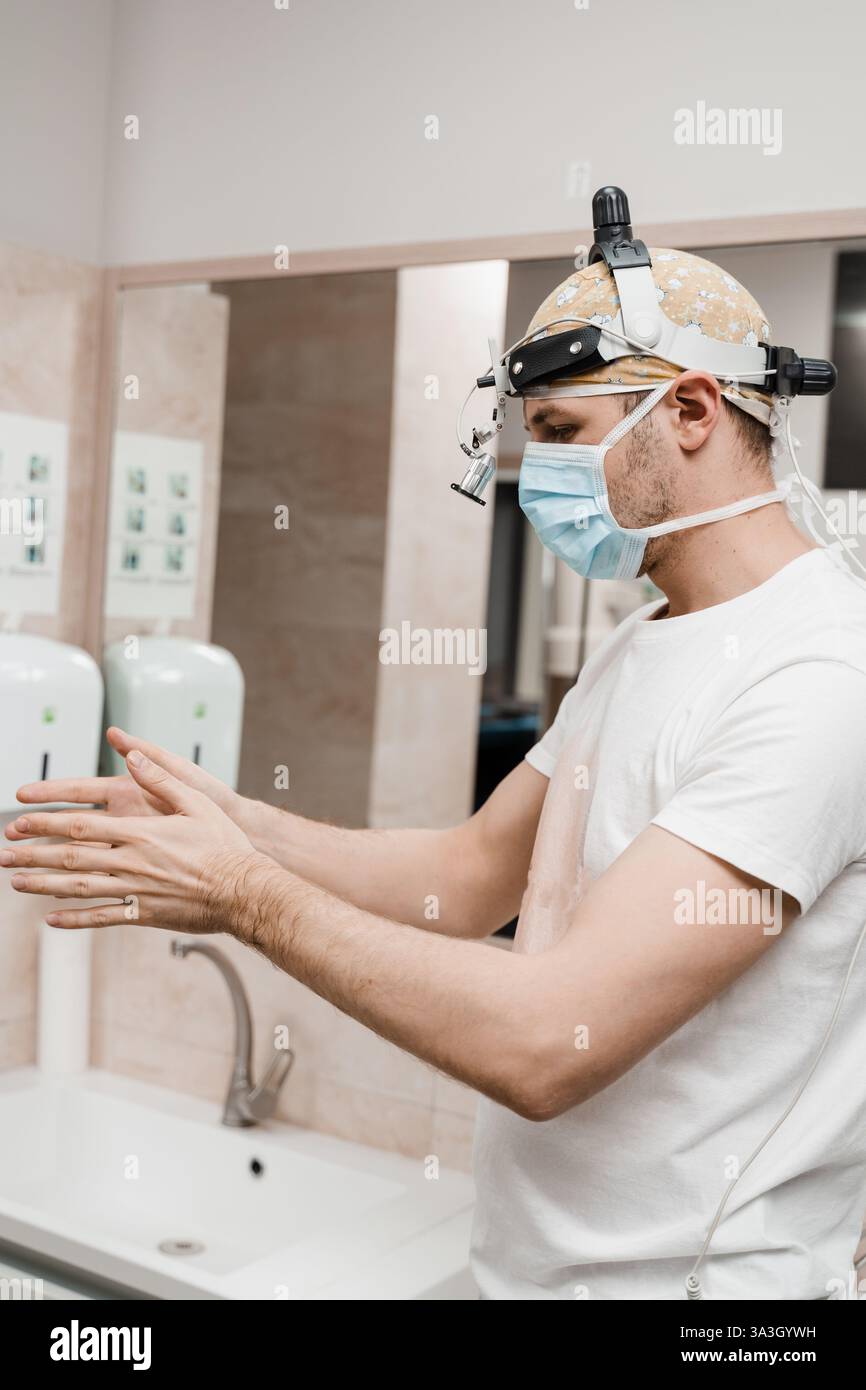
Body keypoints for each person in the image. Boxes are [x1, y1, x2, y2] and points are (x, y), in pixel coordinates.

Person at [4, 245, 866, 1302]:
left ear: (689, 408)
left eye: (557, 433)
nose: (533, 471)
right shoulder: (643, 639)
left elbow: (551, 1037)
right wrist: (234, 822)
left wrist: (241, 893)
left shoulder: (822, 670)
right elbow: (464, 877)